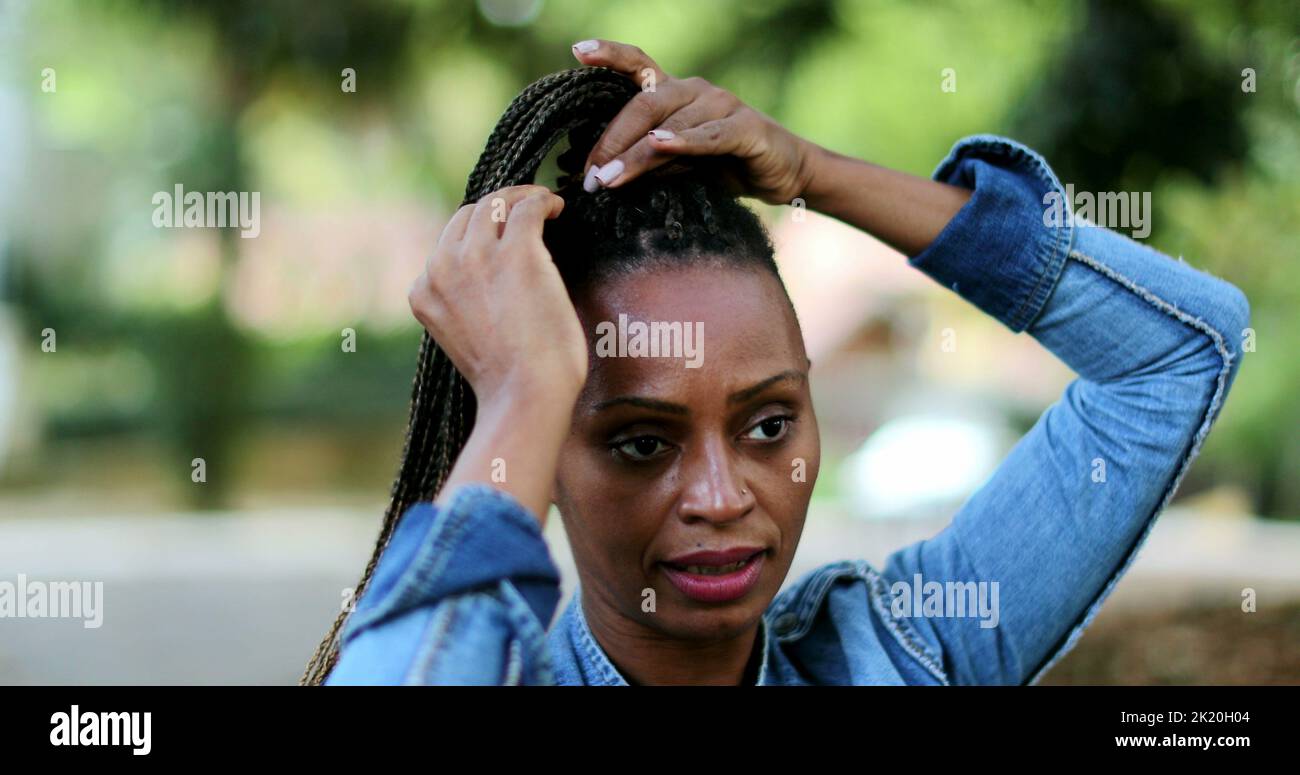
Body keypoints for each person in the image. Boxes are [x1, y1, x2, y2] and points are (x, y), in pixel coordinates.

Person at [303, 40, 1249, 686]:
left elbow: (1176, 351)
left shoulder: (904, 656)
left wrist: (813, 173)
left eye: (767, 425)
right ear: (545, 450)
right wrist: (518, 392)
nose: (721, 494)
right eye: (640, 440)